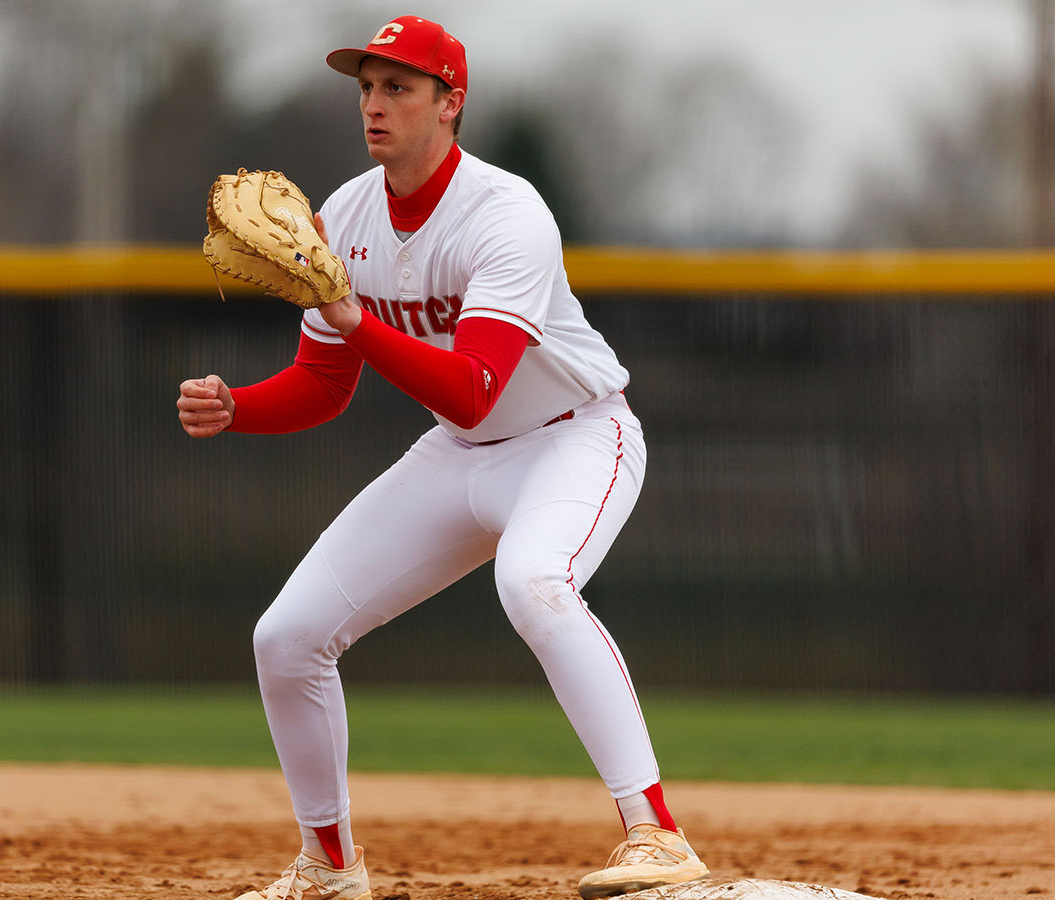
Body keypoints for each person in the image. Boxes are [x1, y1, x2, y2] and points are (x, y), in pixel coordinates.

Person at [177, 14, 709, 900]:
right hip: (461, 455)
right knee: (288, 636)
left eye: (398, 87)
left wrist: (355, 317)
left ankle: (656, 833)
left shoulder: (507, 214)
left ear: (449, 103)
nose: (375, 105)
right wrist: (240, 407)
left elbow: (474, 386)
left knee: (534, 582)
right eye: (366, 87)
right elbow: (324, 384)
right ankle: (330, 867)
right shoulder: (342, 218)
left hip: (576, 437)